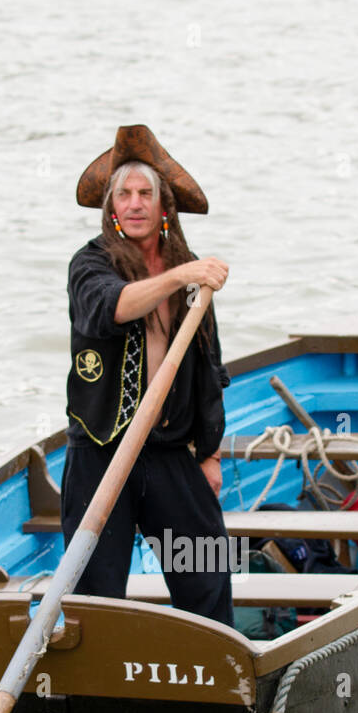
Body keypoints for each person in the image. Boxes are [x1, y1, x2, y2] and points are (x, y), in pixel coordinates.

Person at [60, 124, 234, 626]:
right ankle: (98, 687)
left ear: (164, 209)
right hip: (100, 450)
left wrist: (211, 454)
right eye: (124, 195)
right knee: (95, 590)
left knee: (206, 570)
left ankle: (213, 681)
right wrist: (182, 277)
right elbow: (109, 309)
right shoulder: (90, 264)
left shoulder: (188, 270)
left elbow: (208, 369)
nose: (135, 204)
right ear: (111, 209)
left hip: (167, 451)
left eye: (145, 194)